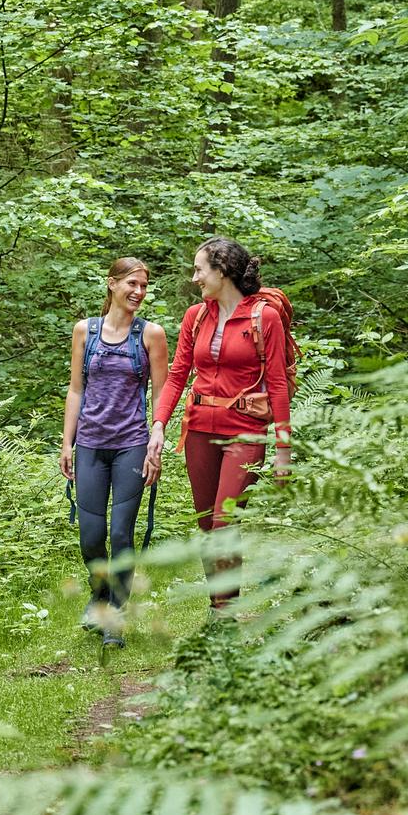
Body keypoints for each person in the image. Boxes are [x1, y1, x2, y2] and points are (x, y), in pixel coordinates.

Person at [148, 237, 292, 606]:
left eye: (199, 269)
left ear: (222, 270)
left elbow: (277, 383)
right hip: (198, 430)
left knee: (224, 524)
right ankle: (219, 608)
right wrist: (160, 424)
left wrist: (282, 448)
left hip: (245, 432)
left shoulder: (265, 317)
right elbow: (179, 374)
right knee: (206, 524)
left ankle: (226, 614)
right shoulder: (196, 317)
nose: (195, 277)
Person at [61, 257, 170, 645]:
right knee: (91, 535)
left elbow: (162, 394)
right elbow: (76, 389)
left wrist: (157, 442)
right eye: (132, 284)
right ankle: (99, 593)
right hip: (90, 444)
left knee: (121, 534)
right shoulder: (84, 331)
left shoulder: (151, 335)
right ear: (111, 284)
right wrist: (67, 442)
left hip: (131, 446)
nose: (138, 292)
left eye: (143, 285)